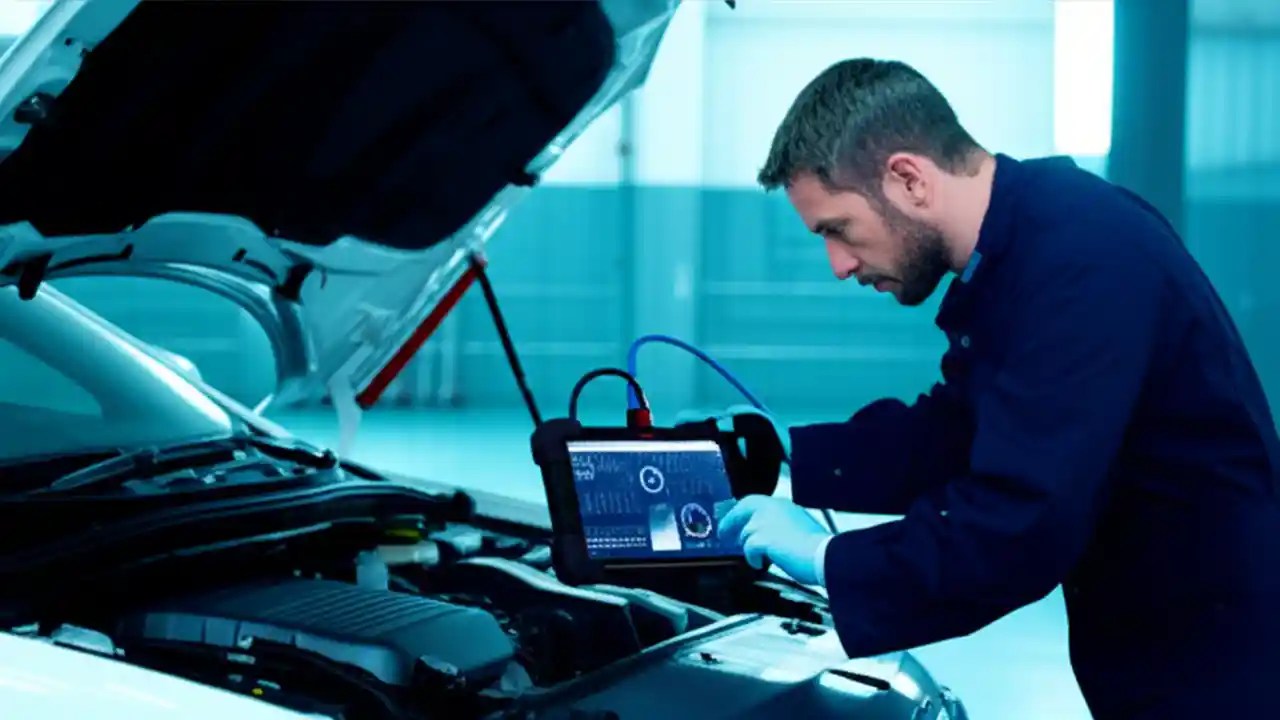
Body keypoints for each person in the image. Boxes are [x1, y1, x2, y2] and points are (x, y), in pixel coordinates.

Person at [698, 58, 1280, 719]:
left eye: (837, 229)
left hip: (1220, 669)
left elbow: (1021, 521)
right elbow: (962, 430)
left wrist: (825, 556)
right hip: (1166, 646)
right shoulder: (1027, 244)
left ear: (908, 179)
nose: (839, 265)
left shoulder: (1078, 261)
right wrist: (783, 457)